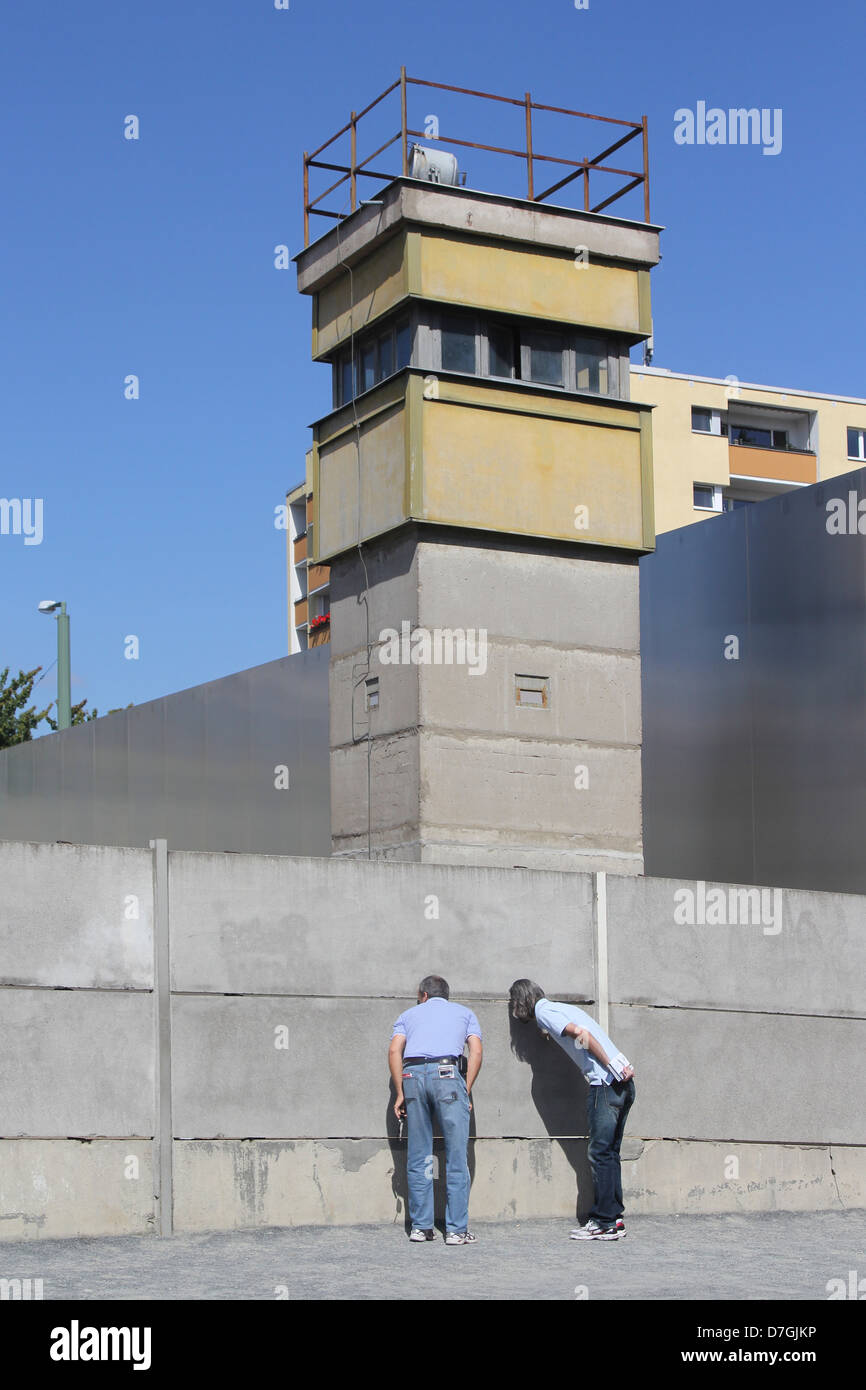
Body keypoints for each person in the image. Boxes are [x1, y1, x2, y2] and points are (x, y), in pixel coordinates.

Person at [509, 979, 635, 1241]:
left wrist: (610, 1065)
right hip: (623, 1085)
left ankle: (603, 1223)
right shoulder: (560, 1009)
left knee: (599, 1153)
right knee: (609, 1154)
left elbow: (582, 1036)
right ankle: (613, 1218)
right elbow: (578, 1032)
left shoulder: (544, 1013)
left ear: (520, 1001)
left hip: (605, 1084)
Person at [389, 975, 483, 1244]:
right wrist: (465, 1087)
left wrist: (399, 1092)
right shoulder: (465, 1013)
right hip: (447, 1074)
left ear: (424, 995)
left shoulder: (408, 1015)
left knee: (419, 1154)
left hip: (412, 1076)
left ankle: (421, 1227)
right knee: (456, 1154)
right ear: (446, 995)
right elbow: (475, 1051)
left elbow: (395, 1051)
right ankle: (456, 1231)